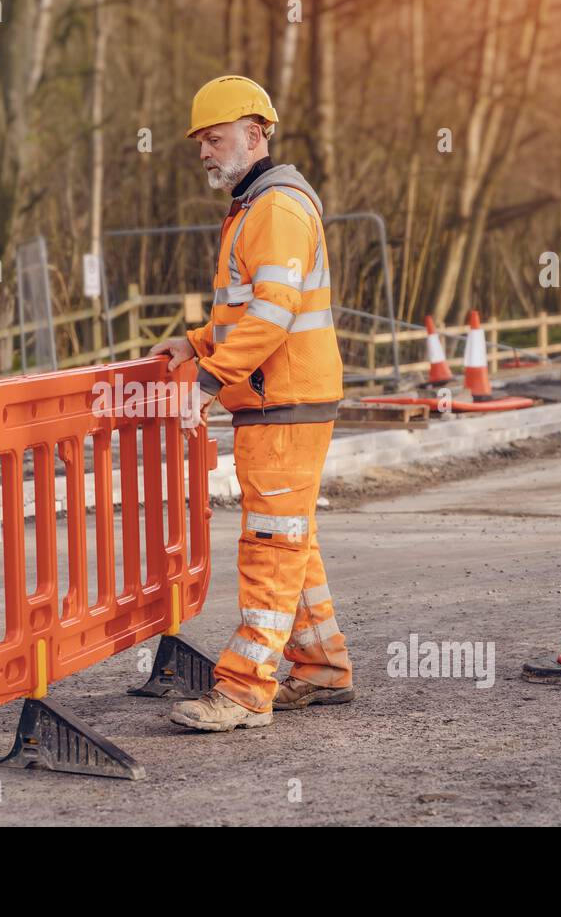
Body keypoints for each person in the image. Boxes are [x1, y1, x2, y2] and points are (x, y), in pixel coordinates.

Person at [150, 75, 353, 732]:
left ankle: (242, 692)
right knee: (293, 539)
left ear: (255, 135)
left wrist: (209, 380)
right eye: (201, 143)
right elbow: (245, 316)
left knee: (270, 544)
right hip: (279, 401)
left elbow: (273, 316)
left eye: (215, 139)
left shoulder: (276, 209)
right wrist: (198, 342)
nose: (206, 152)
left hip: (283, 404)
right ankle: (321, 667)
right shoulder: (255, 207)